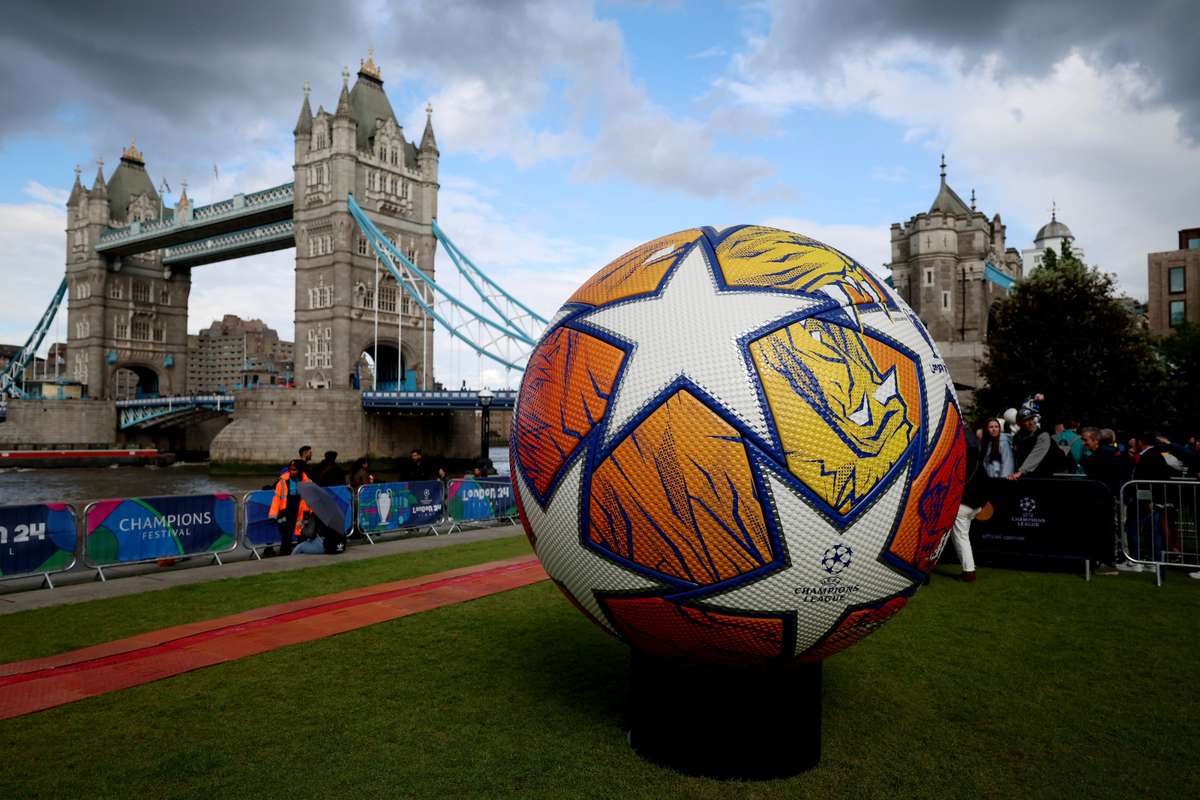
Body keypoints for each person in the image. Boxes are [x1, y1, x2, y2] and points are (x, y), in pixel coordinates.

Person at [949, 424, 987, 582]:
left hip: (963, 505)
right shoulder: (978, 461)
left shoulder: (959, 461)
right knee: (960, 536)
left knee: (960, 538)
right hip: (975, 505)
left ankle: (969, 571)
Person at [268, 459, 311, 556]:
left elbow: (311, 499)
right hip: (287, 510)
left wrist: (310, 513)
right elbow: (276, 500)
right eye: (290, 469)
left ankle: (302, 553)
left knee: (301, 533)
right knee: (287, 534)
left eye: (294, 470)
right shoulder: (282, 482)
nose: (292, 472)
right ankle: (284, 554)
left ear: (300, 470)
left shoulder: (307, 482)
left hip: (302, 511)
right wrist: (273, 516)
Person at [1008, 408, 1059, 479]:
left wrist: (1021, 471)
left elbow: (1035, 455)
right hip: (1029, 476)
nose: (1031, 422)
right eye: (1026, 420)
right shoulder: (1017, 437)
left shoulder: (1043, 435)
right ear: (1018, 423)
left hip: (1048, 476)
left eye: (1032, 419)